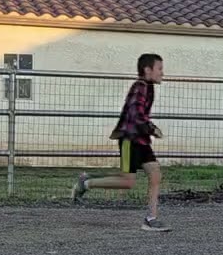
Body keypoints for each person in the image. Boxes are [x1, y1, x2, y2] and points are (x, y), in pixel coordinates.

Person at [71, 53, 171, 232]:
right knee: (127, 182)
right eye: (160, 69)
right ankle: (85, 183)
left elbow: (140, 116)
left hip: (141, 140)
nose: (162, 73)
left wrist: (149, 129)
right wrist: (151, 128)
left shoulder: (148, 87)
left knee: (155, 174)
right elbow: (135, 113)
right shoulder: (139, 87)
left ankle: (151, 219)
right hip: (129, 140)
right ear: (148, 70)